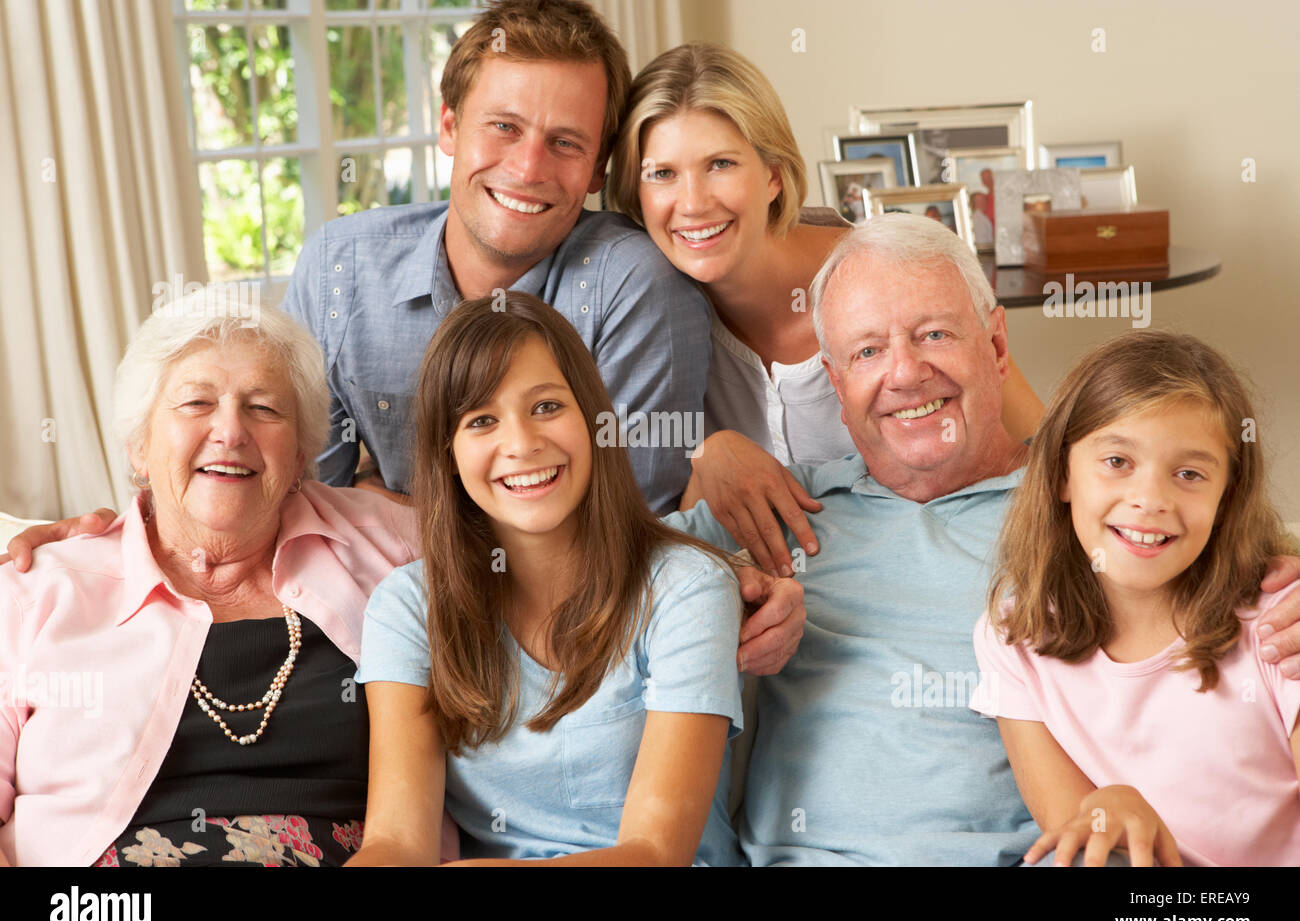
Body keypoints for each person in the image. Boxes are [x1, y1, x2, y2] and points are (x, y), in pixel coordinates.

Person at [662, 213, 1300, 865]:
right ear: (836, 381)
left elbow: (1222, 535)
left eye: (933, 334)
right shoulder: (778, 505)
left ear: (996, 345)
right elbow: (591, 576)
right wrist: (707, 479)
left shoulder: (1085, 507)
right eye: (868, 351)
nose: (905, 374)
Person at [0, 290, 424, 866]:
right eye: (196, 402)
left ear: (301, 455)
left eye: (265, 408)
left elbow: (537, 548)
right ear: (140, 446)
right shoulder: (35, 593)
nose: (230, 431)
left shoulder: (389, 546)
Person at [606, 42, 1045, 576]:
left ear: (772, 175)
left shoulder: (883, 280)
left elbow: (1042, 448)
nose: (693, 202)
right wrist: (705, 451)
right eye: (662, 174)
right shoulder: (646, 310)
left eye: (720, 164)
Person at [350, 292, 757, 865]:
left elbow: (654, 853)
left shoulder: (686, 587)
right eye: (482, 420)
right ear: (449, 452)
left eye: (546, 406)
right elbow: (397, 842)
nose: (521, 444)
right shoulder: (407, 607)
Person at [283, 0, 712, 515]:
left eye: (565, 142)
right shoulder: (339, 267)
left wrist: (384, 503)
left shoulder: (638, 286)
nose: (529, 169)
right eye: (504, 127)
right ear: (449, 126)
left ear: (599, 168)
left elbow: (621, 538)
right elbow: (305, 512)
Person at [972, 331, 1300, 867]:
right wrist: (1111, 807)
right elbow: (1080, 848)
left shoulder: (1280, 623)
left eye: (1189, 473)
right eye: (1118, 461)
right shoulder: (1015, 636)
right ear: (1060, 473)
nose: (1150, 500)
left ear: (1228, 494)